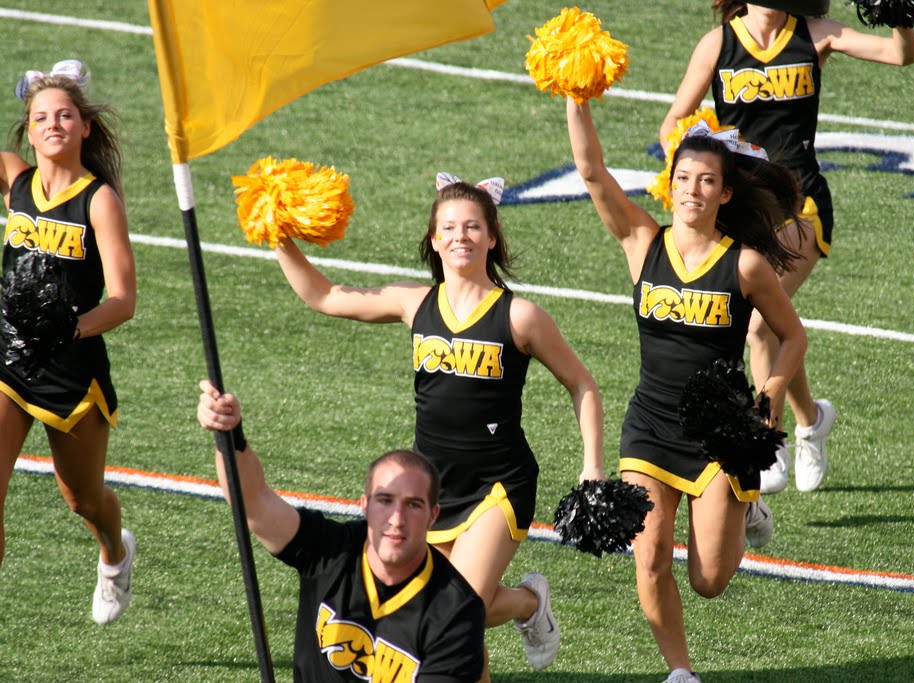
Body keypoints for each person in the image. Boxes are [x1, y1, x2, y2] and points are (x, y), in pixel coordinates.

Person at [273, 174, 605, 680]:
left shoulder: (520, 316)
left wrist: (591, 466)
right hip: (433, 488)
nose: (460, 236)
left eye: (472, 227)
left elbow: (582, 384)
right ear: (434, 239)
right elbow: (326, 296)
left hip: (499, 484)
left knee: (455, 607)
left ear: (492, 236)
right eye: (448, 227)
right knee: (445, 622)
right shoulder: (414, 304)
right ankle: (526, 603)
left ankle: (521, 605)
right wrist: (279, 236)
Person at [567, 98, 808, 682]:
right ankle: (680, 673)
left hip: (716, 432)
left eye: (706, 181)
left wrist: (775, 383)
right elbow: (593, 172)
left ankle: (748, 504)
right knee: (647, 556)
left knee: (708, 582)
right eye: (683, 179)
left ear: (726, 193)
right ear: (668, 184)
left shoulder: (745, 264)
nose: (692, 190)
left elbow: (793, 335)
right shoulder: (642, 243)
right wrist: (576, 98)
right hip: (648, 424)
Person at [660, 1, 914, 493]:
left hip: (801, 203)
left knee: (759, 327)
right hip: (741, 209)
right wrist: (694, 165)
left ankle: (768, 436)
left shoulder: (815, 34)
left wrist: (901, 13)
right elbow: (675, 120)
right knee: (777, 327)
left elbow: (899, 55)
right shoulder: (719, 44)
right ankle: (812, 418)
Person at [196, 380, 486, 682]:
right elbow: (254, 502)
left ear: (433, 515)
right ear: (365, 505)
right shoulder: (332, 550)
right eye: (385, 501)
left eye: (413, 505)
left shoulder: (457, 612)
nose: (396, 519)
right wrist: (229, 436)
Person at [0, 60, 137, 625]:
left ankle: (115, 551)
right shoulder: (14, 179)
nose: (53, 123)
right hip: (7, 358)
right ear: (28, 132)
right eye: (40, 117)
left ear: (84, 127)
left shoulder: (98, 201)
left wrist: (70, 326)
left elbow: (124, 299)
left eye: (65, 115)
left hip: (70, 369)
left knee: (82, 499)